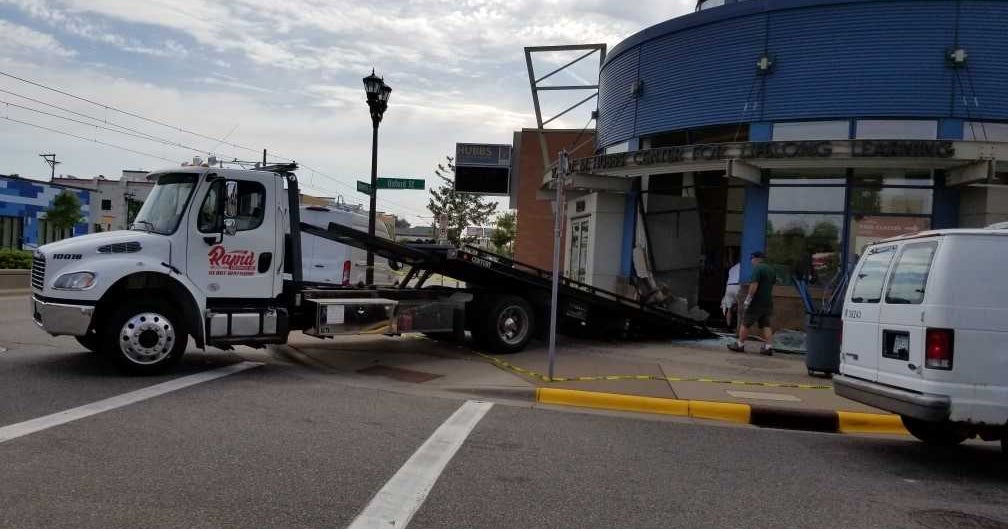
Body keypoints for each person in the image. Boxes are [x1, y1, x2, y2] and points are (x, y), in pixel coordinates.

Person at [728, 251, 775, 355]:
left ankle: (740, 344)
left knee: (745, 323)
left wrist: (748, 299)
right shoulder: (771, 270)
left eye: (752, 259)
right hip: (767, 302)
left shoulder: (758, 269)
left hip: (756, 302)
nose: (751, 261)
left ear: (757, 259)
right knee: (766, 324)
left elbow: (754, 285)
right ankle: (768, 347)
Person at [721, 259, 741, 330]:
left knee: (729, 309)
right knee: (740, 308)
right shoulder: (744, 267)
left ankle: (728, 326)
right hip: (737, 286)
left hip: (729, 287)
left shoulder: (732, 268)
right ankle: (738, 328)